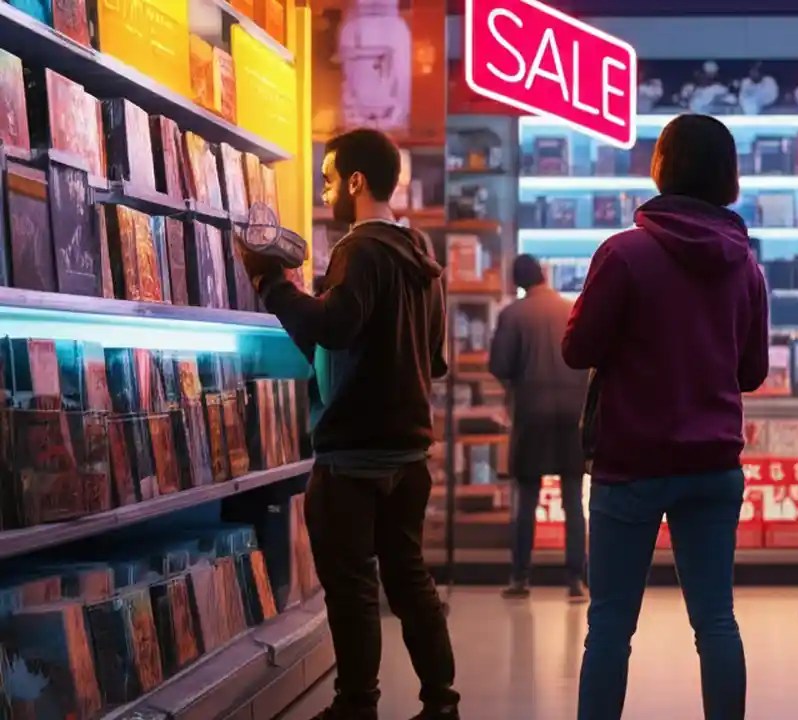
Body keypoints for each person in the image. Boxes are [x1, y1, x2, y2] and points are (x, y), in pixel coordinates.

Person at [238, 128, 460, 720]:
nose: (327, 188)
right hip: (408, 457)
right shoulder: (421, 254)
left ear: (357, 181)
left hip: (354, 458)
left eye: (331, 177)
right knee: (411, 581)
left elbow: (334, 328)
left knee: (354, 588)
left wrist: (272, 283)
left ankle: (356, 705)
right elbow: (434, 359)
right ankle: (442, 703)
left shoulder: (359, 250)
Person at [562, 113, 768, 720]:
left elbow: (578, 349)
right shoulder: (745, 266)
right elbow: (751, 373)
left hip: (630, 462)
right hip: (713, 463)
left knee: (609, 627)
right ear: (728, 175)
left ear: (661, 167)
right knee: (716, 621)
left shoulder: (624, 254)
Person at [489, 254, 590, 602]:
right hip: (573, 416)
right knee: (574, 502)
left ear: (518, 282)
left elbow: (499, 364)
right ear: (544, 274)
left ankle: (520, 577)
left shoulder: (512, 315)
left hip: (531, 416)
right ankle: (576, 580)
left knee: (526, 501)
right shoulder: (572, 309)